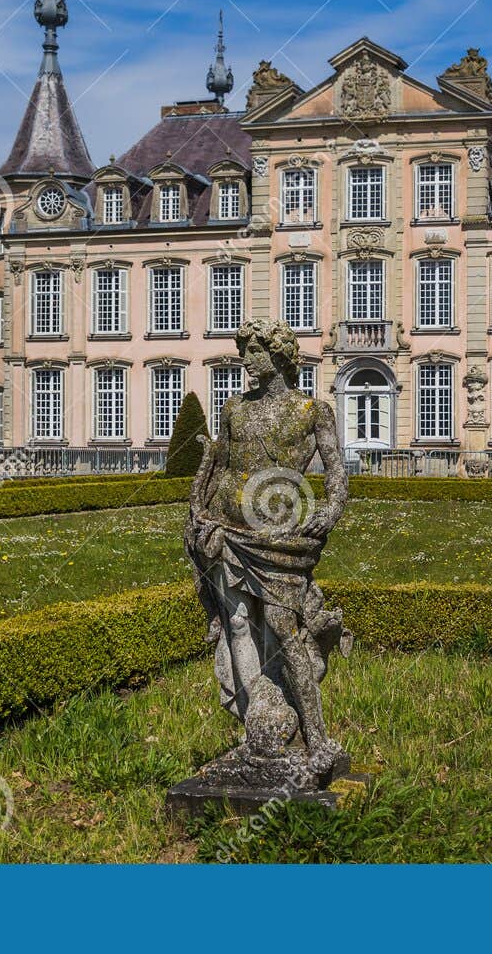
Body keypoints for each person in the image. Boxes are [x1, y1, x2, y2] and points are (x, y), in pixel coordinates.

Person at [183, 317, 351, 786]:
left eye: (254, 352)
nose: (246, 361)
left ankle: (317, 739)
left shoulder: (312, 411)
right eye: (244, 352)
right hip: (227, 526)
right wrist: (200, 515)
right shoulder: (233, 409)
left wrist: (331, 510)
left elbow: (337, 473)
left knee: (284, 626)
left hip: (278, 534)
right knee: (237, 621)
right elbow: (218, 467)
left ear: (279, 356)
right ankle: (258, 719)